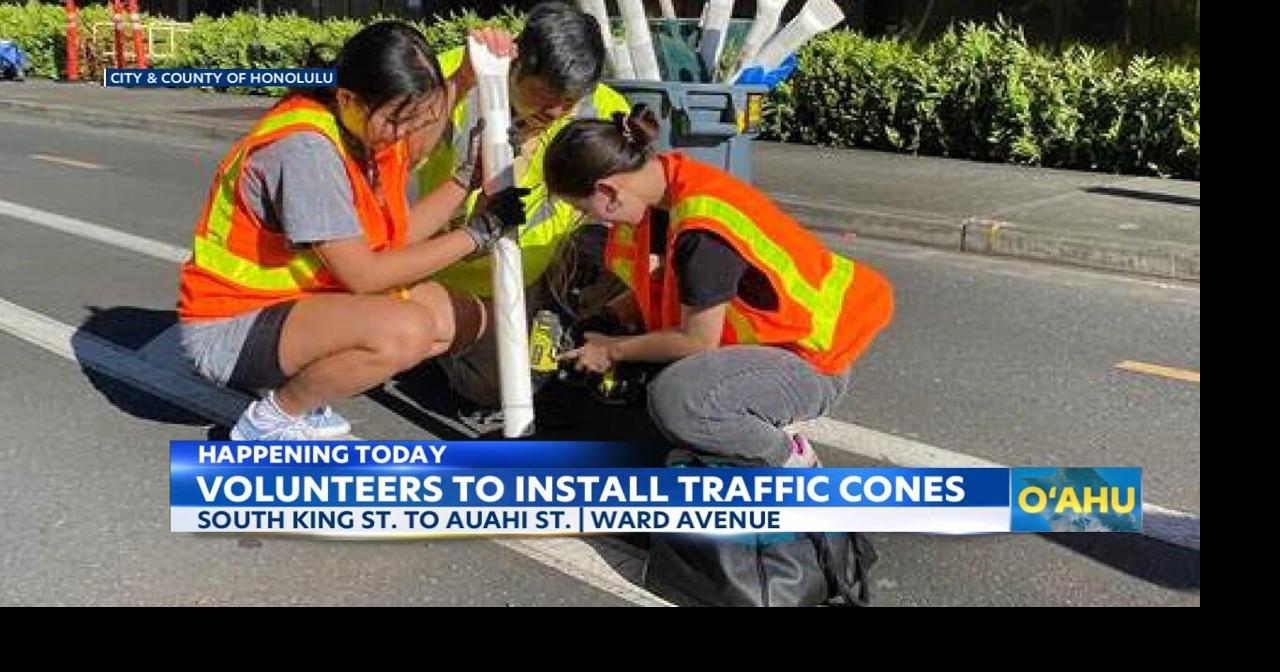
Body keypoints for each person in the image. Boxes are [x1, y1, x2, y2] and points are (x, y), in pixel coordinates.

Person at [176, 21, 525, 440]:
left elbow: (397, 235)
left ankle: (309, 389)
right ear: (348, 99)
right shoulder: (307, 150)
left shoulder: (365, 126)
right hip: (232, 324)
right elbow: (365, 275)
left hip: (300, 303)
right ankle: (274, 418)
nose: (408, 134)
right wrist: (479, 232)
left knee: (461, 316)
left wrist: (465, 166)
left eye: (418, 118)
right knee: (407, 329)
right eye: (399, 122)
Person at [544, 104, 895, 467]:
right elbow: (663, 287)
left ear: (608, 190)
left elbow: (697, 340)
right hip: (773, 349)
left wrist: (612, 350)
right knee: (656, 391)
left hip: (810, 364)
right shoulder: (666, 187)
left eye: (585, 208)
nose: (590, 218)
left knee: (681, 400)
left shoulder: (702, 230)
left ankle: (794, 465)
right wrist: (607, 319)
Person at [413, 1, 633, 410]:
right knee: (498, 389)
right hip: (460, 270)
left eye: (568, 101)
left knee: (643, 256)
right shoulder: (447, 79)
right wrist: (461, 82)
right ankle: (442, 343)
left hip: (547, 266)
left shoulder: (601, 106)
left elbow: (642, 187)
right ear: (516, 60)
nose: (555, 112)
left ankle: (563, 323)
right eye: (545, 95)